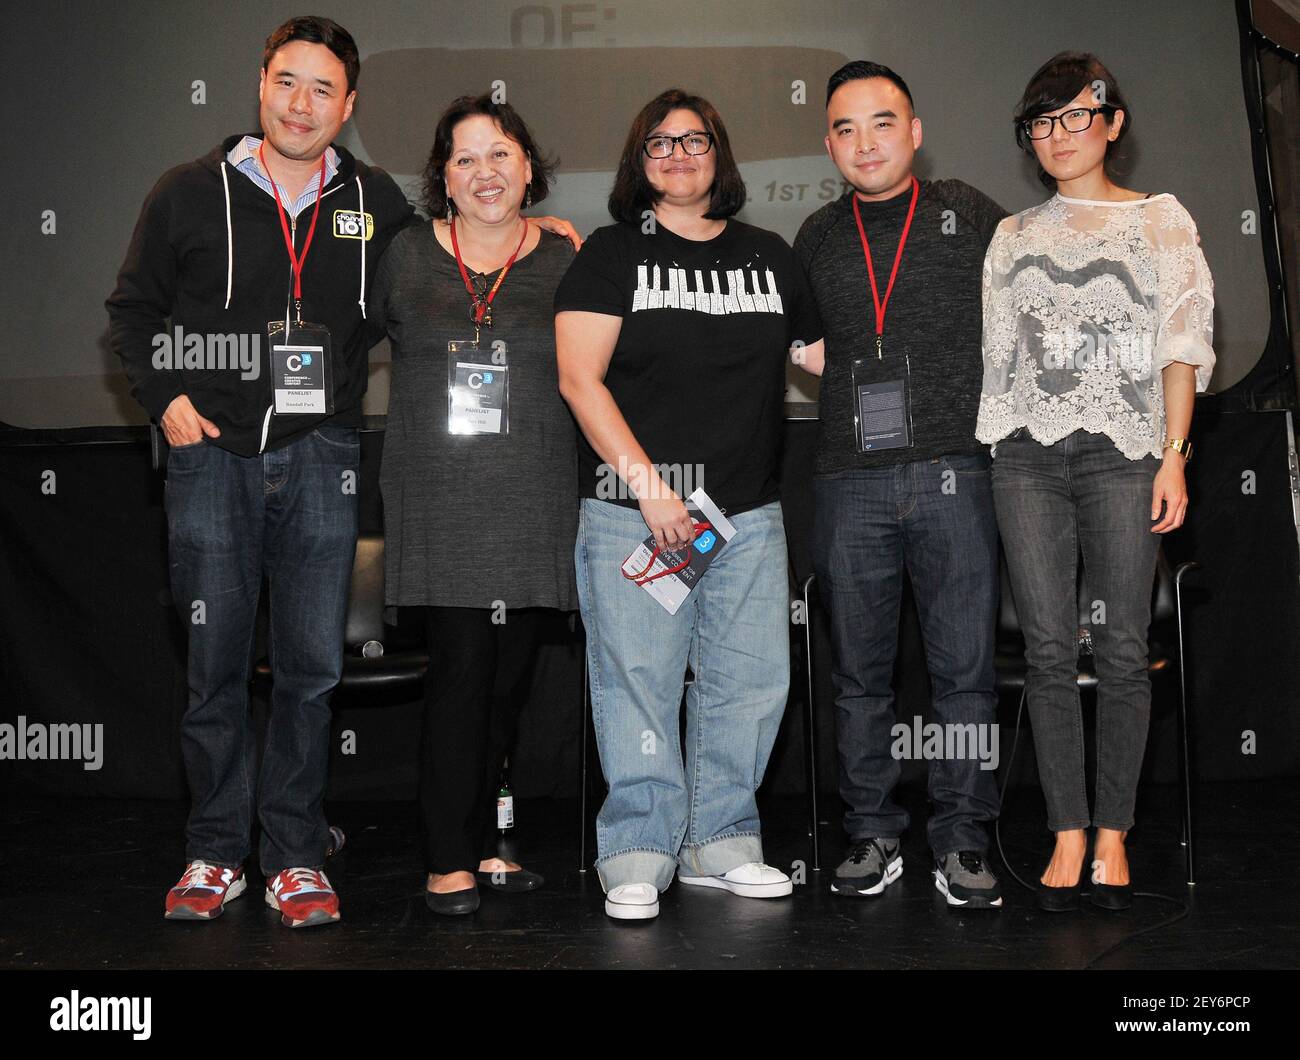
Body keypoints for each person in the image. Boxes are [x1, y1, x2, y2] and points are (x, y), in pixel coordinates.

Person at [106, 16, 414, 927]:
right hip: (212, 460)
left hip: (322, 456)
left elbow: (441, 271)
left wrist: (531, 232)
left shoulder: (377, 200)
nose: (302, 103)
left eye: (324, 89)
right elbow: (131, 310)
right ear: (260, 86)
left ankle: (292, 853)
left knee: (313, 671)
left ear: (348, 105)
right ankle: (213, 850)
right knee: (213, 665)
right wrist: (164, 401)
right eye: (288, 81)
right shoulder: (188, 191)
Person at [555, 89, 823, 920]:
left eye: (694, 140)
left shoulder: (770, 256)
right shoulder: (610, 254)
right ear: (640, 164)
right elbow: (578, 378)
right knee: (639, 682)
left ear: (721, 155)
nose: (678, 154)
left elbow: (823, 358)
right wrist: (651, 488)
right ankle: (637, 849)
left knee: (751, 685)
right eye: (659, 144)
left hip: (746, 515)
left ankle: (722, 843)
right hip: (637, 512)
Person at [977, 52, 1215, 912]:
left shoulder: (1161, 220)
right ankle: (1066, 828)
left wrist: (1176, 454)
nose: (1059, 136)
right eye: (1042, 122)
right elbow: (999, 365)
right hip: (1026, 459)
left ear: (1112, 124)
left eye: (1077, 116)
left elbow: (1182, 347)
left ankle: (1114, 830)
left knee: (1118, 649)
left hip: (1126, 454)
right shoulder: (1011, 237)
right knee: (1047, 649)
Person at [792, 61, 1008, 908]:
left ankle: (962, 840)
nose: (864, 142)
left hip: (957, 469)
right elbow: (790, 336)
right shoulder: (814, 236)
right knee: (858, 677)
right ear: (830, 144)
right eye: (845, 128)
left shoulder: (970, 212)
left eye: (882, 123)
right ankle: (872, 832)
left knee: (965, 675)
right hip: (850, 480)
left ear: (914, 131)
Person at [368, 95, 582, 916]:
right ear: (442, 179)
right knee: (461, 677)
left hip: (533, 500)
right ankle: (446, 857)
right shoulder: (404, 257)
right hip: (439, 501)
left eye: (500, 154)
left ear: (529, 167)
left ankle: (489, 842)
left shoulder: (570, 261)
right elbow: (347, 343)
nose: (484, 172)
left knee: (508, 684)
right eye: (464, 159)